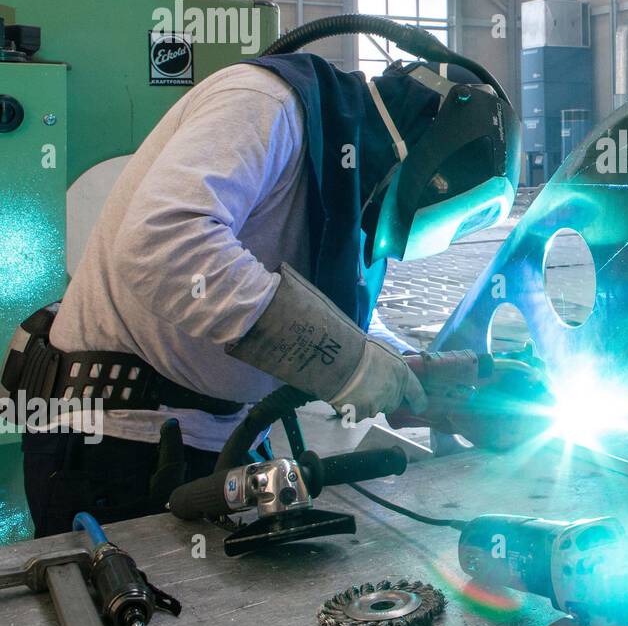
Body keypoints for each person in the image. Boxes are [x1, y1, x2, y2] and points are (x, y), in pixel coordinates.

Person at [7, 40, 519, 538]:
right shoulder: (266, 102)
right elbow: (163, 245)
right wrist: (347, 365)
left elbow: (335, 325)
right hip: (116, 445)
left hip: (215, 446)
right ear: (420, 147)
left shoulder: (351, 186)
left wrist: (428, 380)